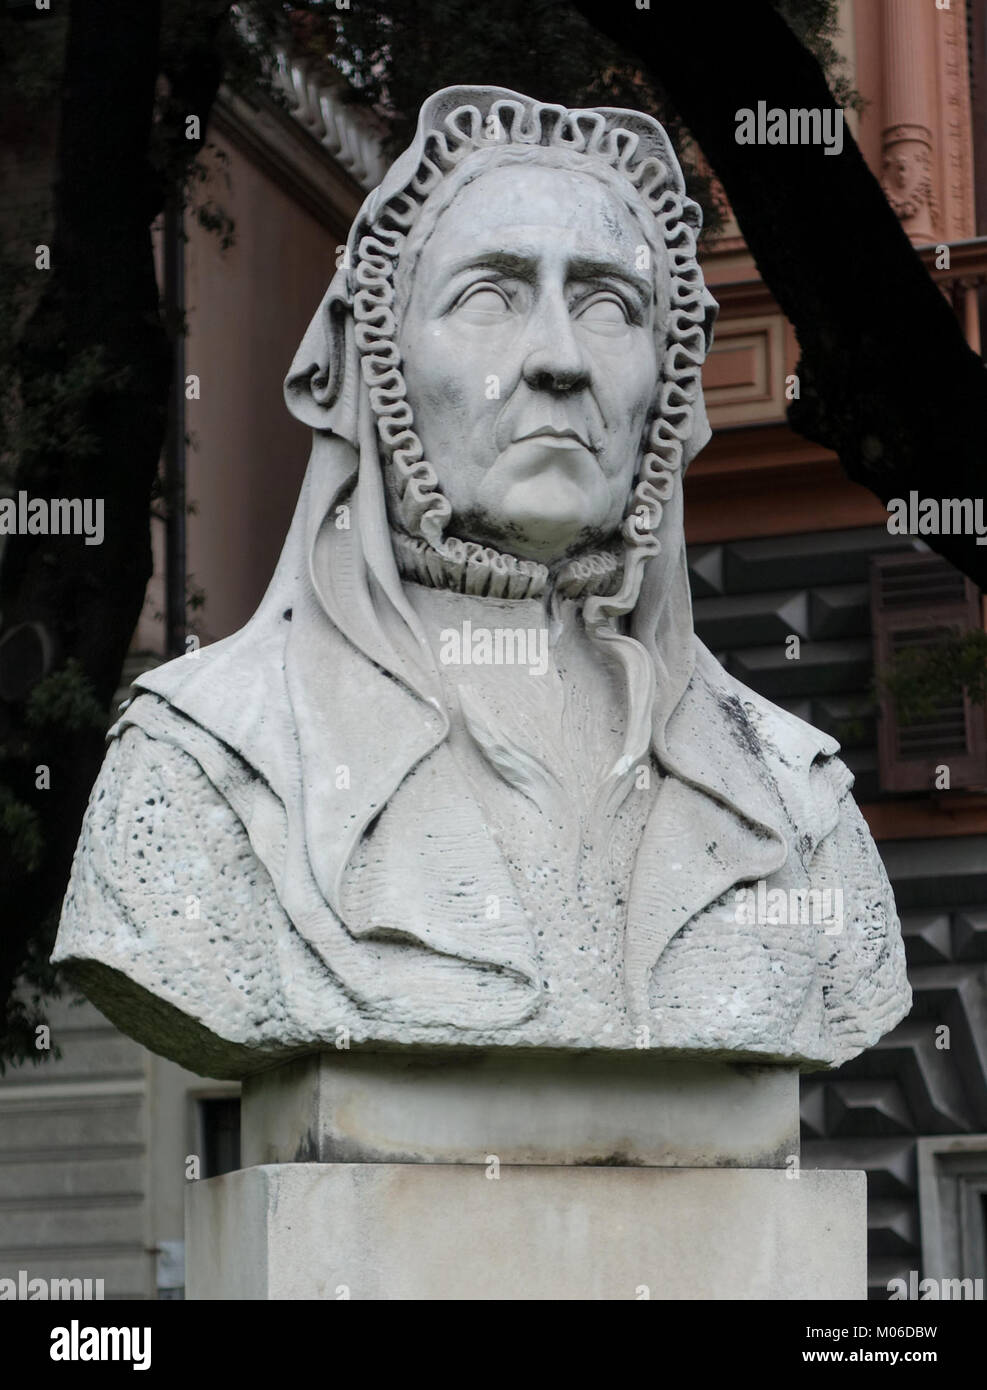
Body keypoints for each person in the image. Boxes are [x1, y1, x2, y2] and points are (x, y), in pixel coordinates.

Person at [53, 86, 910, 1078]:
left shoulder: (797, 806)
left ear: (667, 392)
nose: (557, 359)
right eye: (490, 298)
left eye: (608, 305)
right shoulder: (202, 761)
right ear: (382, 367)